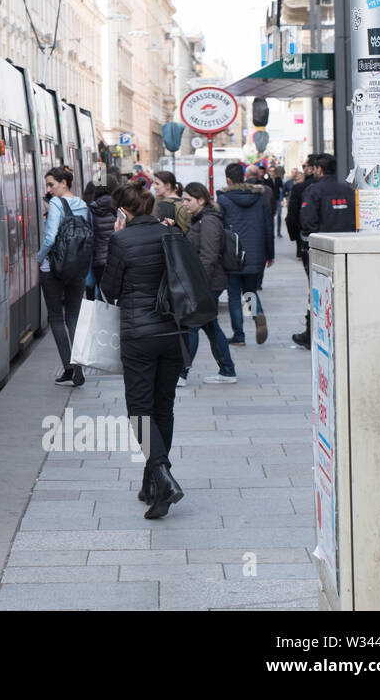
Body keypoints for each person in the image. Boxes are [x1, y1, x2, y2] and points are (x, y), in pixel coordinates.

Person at [99, 181, 186, 518]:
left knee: (139, 409)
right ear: (151, 207)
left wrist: (116, 239)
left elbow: (109, 290)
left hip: (139, 336)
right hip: (174, 331)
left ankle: (162, 476)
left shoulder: (121, 240)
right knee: (163, 407)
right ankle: (151, 483)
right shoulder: (172, 234)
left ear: (124, 211)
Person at [293, 154, 358, 346]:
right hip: (347, 246)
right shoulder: (347, 190)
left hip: (322, 248)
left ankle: (312, 331)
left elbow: (307, 221)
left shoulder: (314, 190)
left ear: (319, 170)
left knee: (318, 289)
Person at [177, 182, 238, 385]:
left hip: (207, 283)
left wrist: (197, 285)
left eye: (188, 200)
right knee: (211, 326)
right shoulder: (200, 219)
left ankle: (182, 373)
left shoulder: (209, 221)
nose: (184, 203)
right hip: (206, 282)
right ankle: (227, 370)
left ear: (201, 200)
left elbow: (209, 256)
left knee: (192, 325)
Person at [35, 166, 90, 386]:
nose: (49, 189)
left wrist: (39, 258)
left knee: (56, 318)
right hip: (77, 268)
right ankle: (78, 366)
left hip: (54, 269)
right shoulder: (83, 204)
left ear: (63, 183)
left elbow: (50, 239)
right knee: (73, 316)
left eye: (51, 184)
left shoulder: (57, 203)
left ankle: (68, 367)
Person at [217, 162, 274, 345]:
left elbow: (220, 229)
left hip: (233, 255)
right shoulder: (259, 197)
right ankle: (257, 316)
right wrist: (270, 253)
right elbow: (268, 226)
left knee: (233, 294)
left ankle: (239, 335)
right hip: (255, 253)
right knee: (249, 290)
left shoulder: (224, 199)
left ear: (228, 179)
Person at [286, 156, 322, 346]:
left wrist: (298, 241)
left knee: (314, 288)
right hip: (340, 244)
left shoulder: (302, 189)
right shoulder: (346, 187)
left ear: (315, 168)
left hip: (310, 244)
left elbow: (292, 218)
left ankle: (311, 331)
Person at [85, 176, 119, 299]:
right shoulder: (119, 206)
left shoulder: (92, 209)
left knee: (102, 299)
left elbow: (90, 237)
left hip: (99, 262)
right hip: (118, 260)